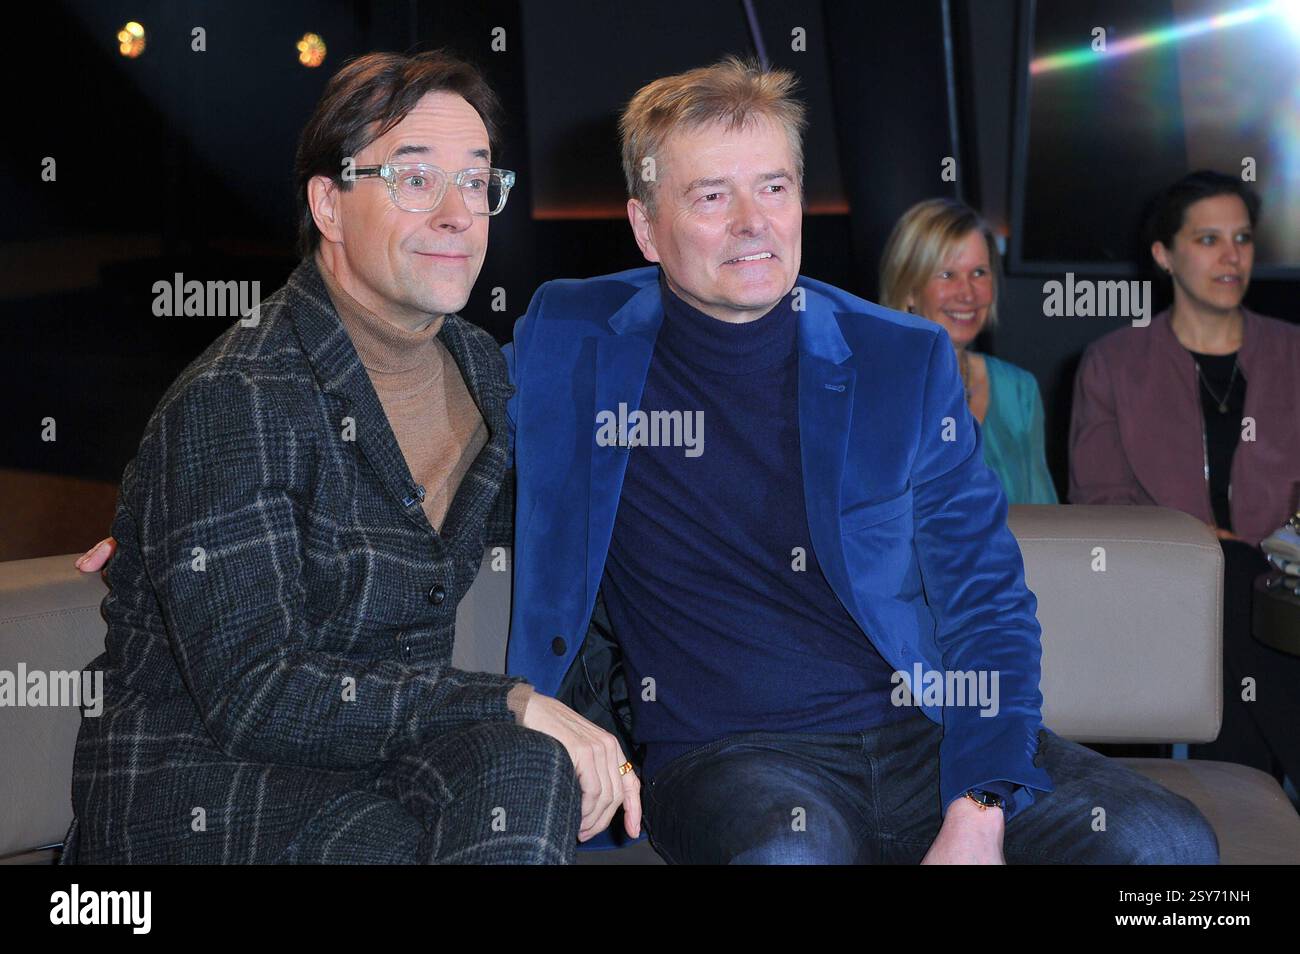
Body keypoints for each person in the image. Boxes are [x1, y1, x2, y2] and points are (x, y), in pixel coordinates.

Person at [502, 56, 1218, 863]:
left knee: (1167, 845)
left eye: (774, 187)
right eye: (712, 196)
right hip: (732, 758)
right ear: (644, 225)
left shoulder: (898, 360)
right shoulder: (570, 339)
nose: (753, 222)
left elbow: (985, 599)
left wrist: (980, 803)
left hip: (928, 736)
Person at [64, 50, 639, 864]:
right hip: (201, 776)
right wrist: (506, 700)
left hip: (376, 754)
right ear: (329, 205)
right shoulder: (241, 394)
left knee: (528, 770)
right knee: (399, 834)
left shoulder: (478, 368)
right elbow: (254, 692)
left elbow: (555, 514)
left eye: (477, 183)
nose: (457, 214)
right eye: (414, 180)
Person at [1070, 170, 1300, 791]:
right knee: (1221, 575)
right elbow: (1101, 505)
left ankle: (1235, 823)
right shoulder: (1115, 362)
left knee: (1237, 595)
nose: (1232, 256)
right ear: (1164, 256)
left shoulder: (1292, 354)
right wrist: (1195, 542)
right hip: (1163, 585)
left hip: (1289, 586)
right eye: (1208, 239)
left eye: (1243, 239)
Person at [880, 198, 1057, 504]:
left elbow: (1048, 520)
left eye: (979, 273)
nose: (967, 293)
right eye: (947, 275)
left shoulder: (1018, 390)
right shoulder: (871, 392)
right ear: (909, 289)